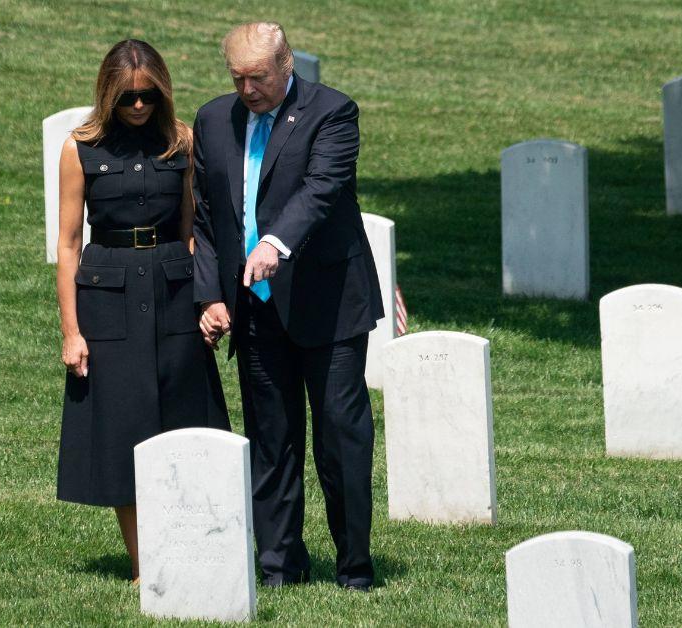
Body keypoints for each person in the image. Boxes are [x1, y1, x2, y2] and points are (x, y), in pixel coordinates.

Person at [192, 22, 383, 591]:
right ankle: (279, 566)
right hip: (254, 308)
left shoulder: (332, 112)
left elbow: (322, 189)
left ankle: (354, 567)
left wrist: (275, 243)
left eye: (259, 78)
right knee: (271, 440)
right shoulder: (212, 120)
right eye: (238, 78)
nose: (248, 89)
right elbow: (205, 215)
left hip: (327, 304)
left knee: (338, 438)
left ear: (287, 65)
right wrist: (209, 295)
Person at [55, 39, 228, 583]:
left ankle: (196, 545)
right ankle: (143, 564)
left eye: (148, 96)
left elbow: (192, 231)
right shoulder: (80, 148)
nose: (137, 106)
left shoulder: (180, 142)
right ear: (109, 94)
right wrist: (71, 330)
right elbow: (66, 243)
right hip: (108, 298)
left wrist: (206, 299)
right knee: (123, 429)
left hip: (174, 289)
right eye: (128, 97)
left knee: (183, 421)